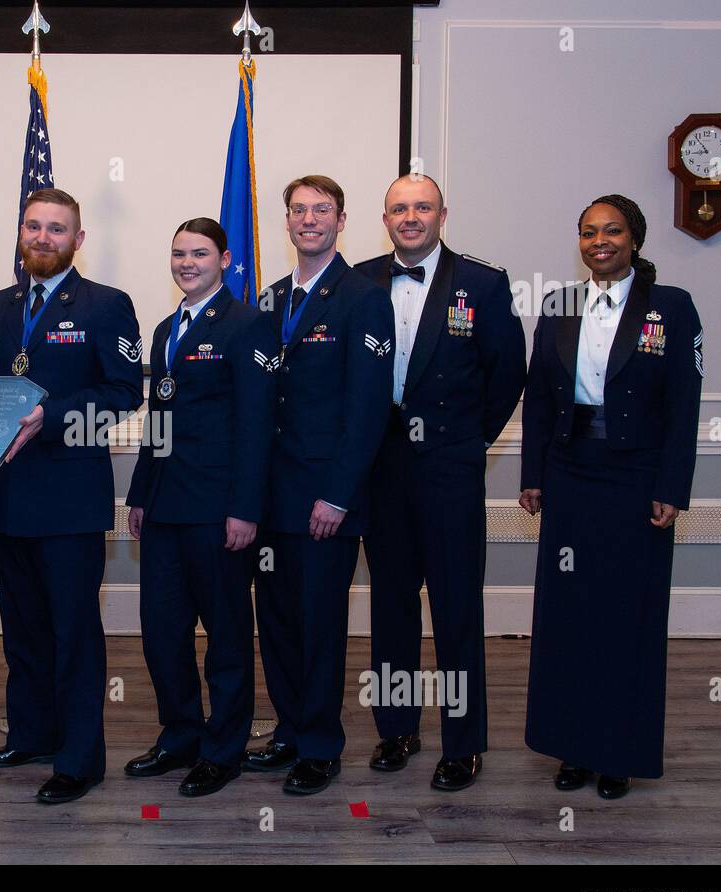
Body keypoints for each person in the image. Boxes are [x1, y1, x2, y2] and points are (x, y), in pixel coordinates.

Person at [0, 188, 143, 804]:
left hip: (70, 498)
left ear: (77, 240)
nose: (42, 237)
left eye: (56, 229)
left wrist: (47, 415)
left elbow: (122, 392)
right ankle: (31, 734)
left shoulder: (108, 305)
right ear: (21, 234)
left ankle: (79, 759)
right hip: (9, 493)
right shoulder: (1, 307)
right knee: (24, 630)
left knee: (74, 633)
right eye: (33, 226)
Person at [520, 194, 703, 800]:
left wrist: (672, 487)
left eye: (613, 231)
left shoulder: (671, 308)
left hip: (636, 482)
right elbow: (541, 398)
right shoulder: (559, 304)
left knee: (628, 617)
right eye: (589, 232)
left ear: (635, 238)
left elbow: (684, 406)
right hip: (571, 474)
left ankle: (617, 751)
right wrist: (533, 475)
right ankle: (573, 748)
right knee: (569, 616)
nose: (600, 241)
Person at [354, 174, 526, 790]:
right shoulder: (360, 279)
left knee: (456, 605)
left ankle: (463, 742)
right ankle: (396, 730)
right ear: (385, 217)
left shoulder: (483, 282)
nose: (410, 216)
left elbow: (508, 371)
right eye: (399, 208)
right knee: (392, 605)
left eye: (421, 206)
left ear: (442, 214)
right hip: (380, 467)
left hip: (449, 465)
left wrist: (468, 439)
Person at [247, 175, 394, 795]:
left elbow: (368, 408)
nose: (309, 219)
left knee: (319, 625)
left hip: (323, 499)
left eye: (322, 210)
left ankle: (320, 743)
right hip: (268, 495)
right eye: (299, 210)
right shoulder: (268, 298)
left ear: (340, 221)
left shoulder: (362, 296)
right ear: (287, 222)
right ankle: (287, 728)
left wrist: (337, 495)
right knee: (277, 620)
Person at [123, 218, 275, 797]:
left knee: (227, 635)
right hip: (164, 506)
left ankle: (224, 748)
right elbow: (157, 418)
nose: (187, 263)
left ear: (225, 259)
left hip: (218, 509)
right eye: (179, 253)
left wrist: (244, 508)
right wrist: (140, 494)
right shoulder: (165, 328)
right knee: (162, 632)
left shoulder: (248, 324)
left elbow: (256, 423)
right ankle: (180, 734)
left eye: (200, 253)